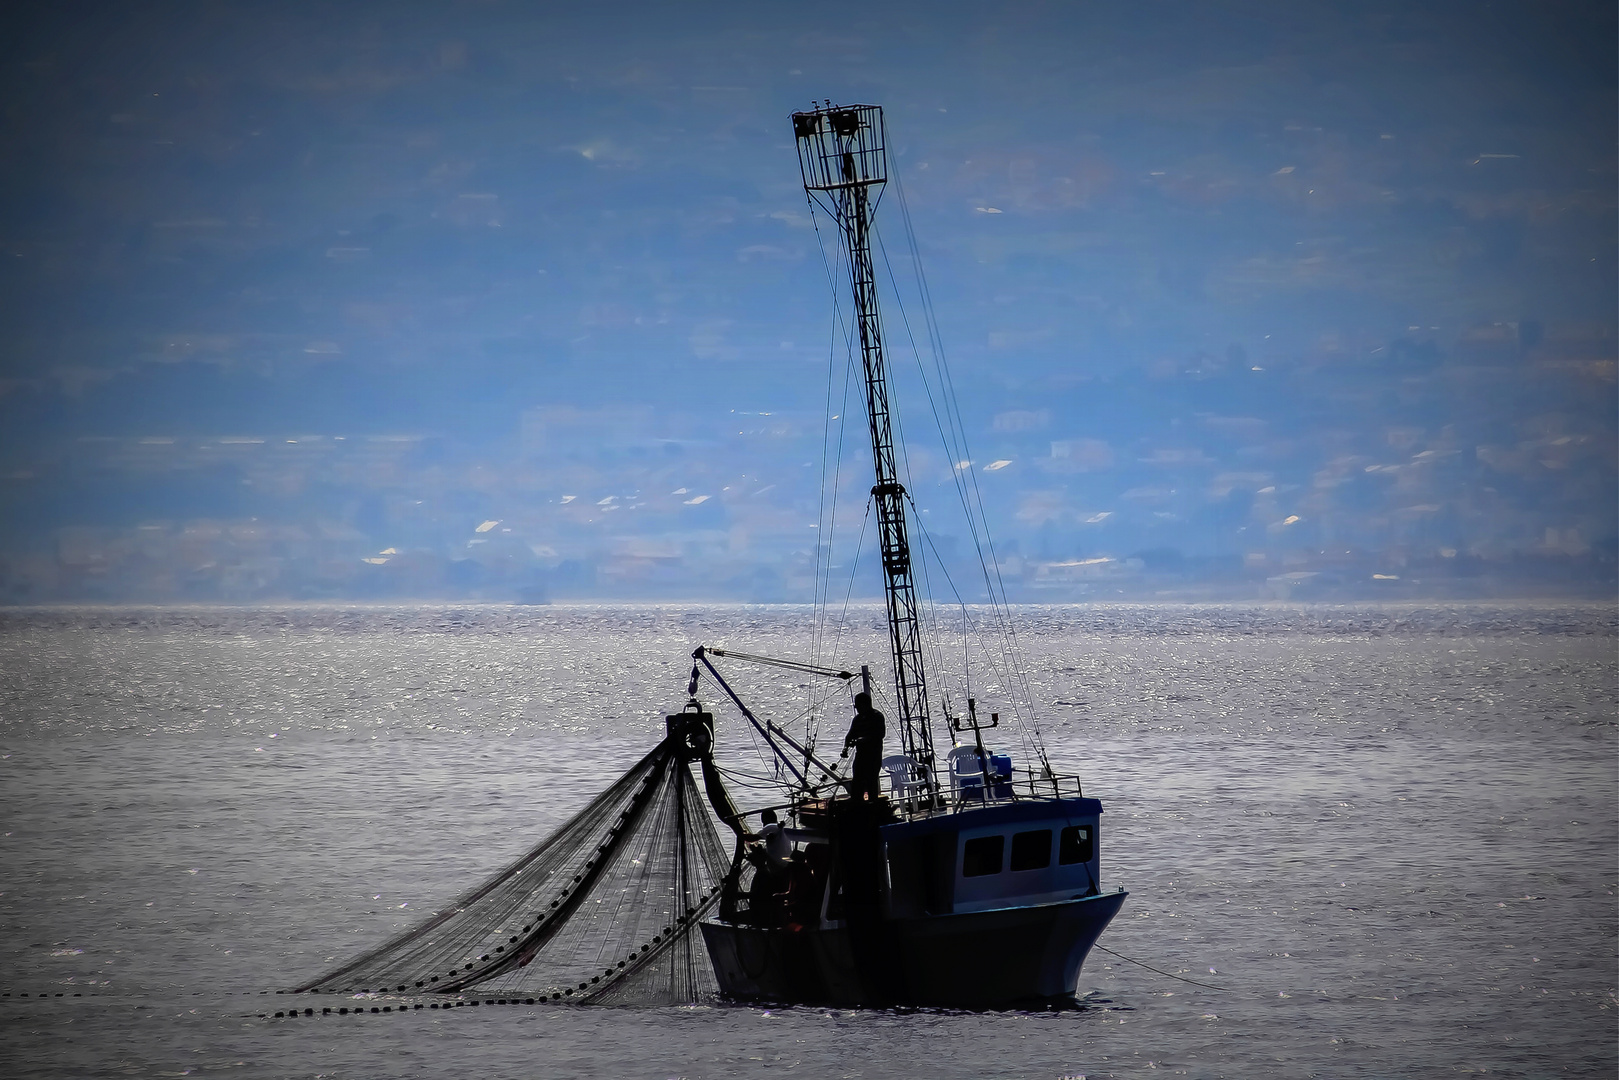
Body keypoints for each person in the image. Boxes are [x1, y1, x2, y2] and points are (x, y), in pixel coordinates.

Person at [843, 692, 886, 802]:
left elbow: (879, 734)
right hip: (860, 756)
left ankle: (873, 807)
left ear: (865, 704)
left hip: (873, 756)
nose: (856, 707)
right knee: (857, 782)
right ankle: (858, 806)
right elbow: (850, 735)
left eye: (858, 705)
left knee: (871, 781)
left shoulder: (877, 716)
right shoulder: (857, 719)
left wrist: (860, 740)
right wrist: (845, 748)